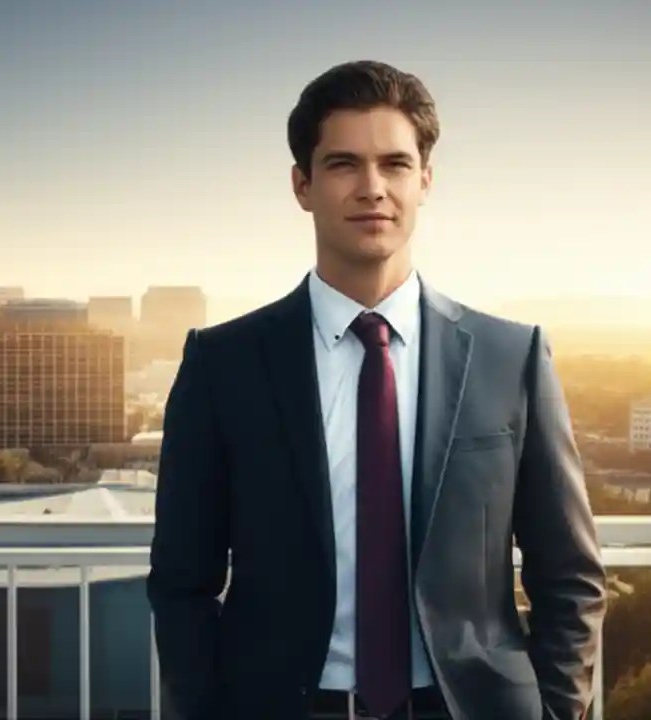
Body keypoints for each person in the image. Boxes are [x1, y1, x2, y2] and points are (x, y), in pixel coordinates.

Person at [147, 59, 607, 720]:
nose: (372, 188)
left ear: (425, 180)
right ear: (302, 185)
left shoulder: (512, 357)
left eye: (394, 164)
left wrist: (557, 712)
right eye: (342, 165)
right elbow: (182, 582)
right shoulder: (223, 364)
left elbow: (568, 574)